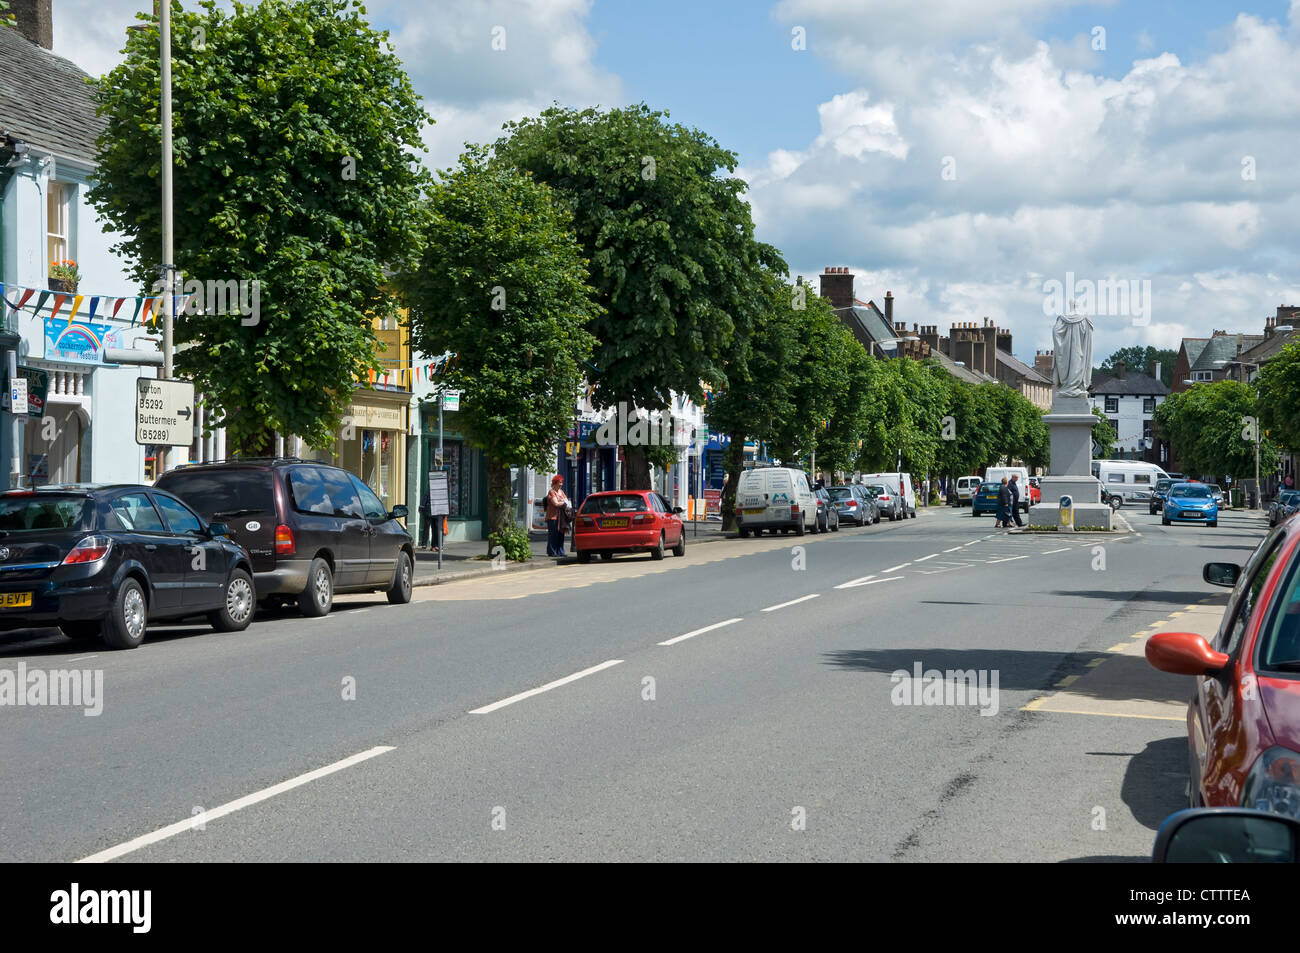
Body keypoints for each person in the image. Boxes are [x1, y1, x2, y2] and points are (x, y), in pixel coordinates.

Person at [545, 475, 570, 557]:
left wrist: (564, 502)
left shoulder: (561, 492)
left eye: (561, 482)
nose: (561, 484)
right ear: (554, 483)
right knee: (553, 535)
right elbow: (555, 503)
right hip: (553, 517)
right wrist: (564, 503)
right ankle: (552, 552)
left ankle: (560, 551)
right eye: (559, 482)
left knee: (560, 534)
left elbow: (566, 501)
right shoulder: (551, 492)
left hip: (561, 517)